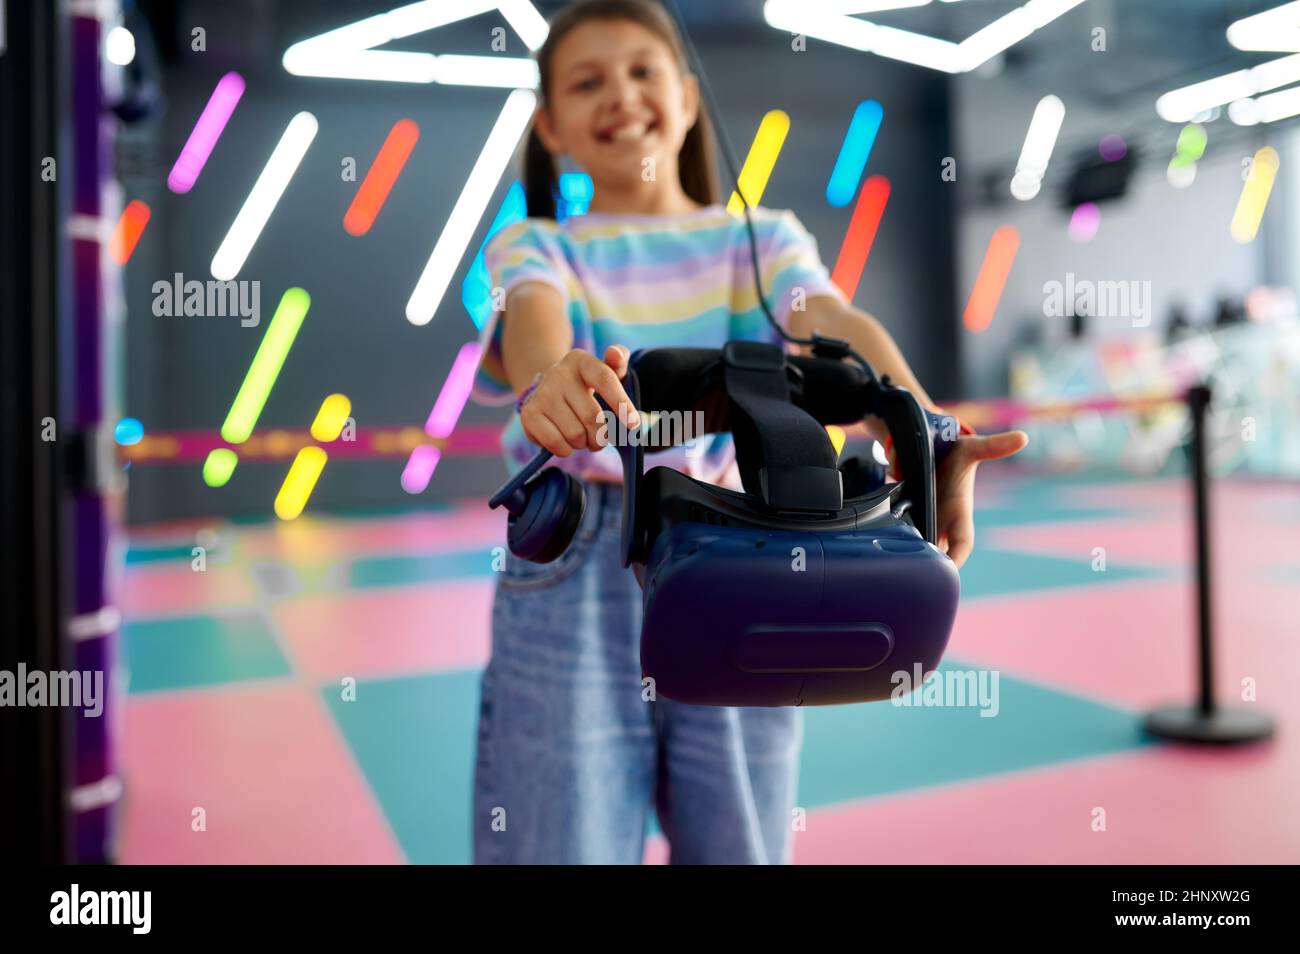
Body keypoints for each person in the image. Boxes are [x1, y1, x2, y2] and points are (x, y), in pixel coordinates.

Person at [469, 0, 1027, 864]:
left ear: (688, 99)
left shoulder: (762, 241)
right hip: (575, 564)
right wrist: (550, 377)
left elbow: (833, 321)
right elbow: (531, 318)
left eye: (641, 72)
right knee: (555, 838)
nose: (620, 93)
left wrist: (925, 421)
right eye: (588, 81)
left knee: (742, 843)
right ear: (550, 125)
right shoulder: (536, 244)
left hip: (739, 552)